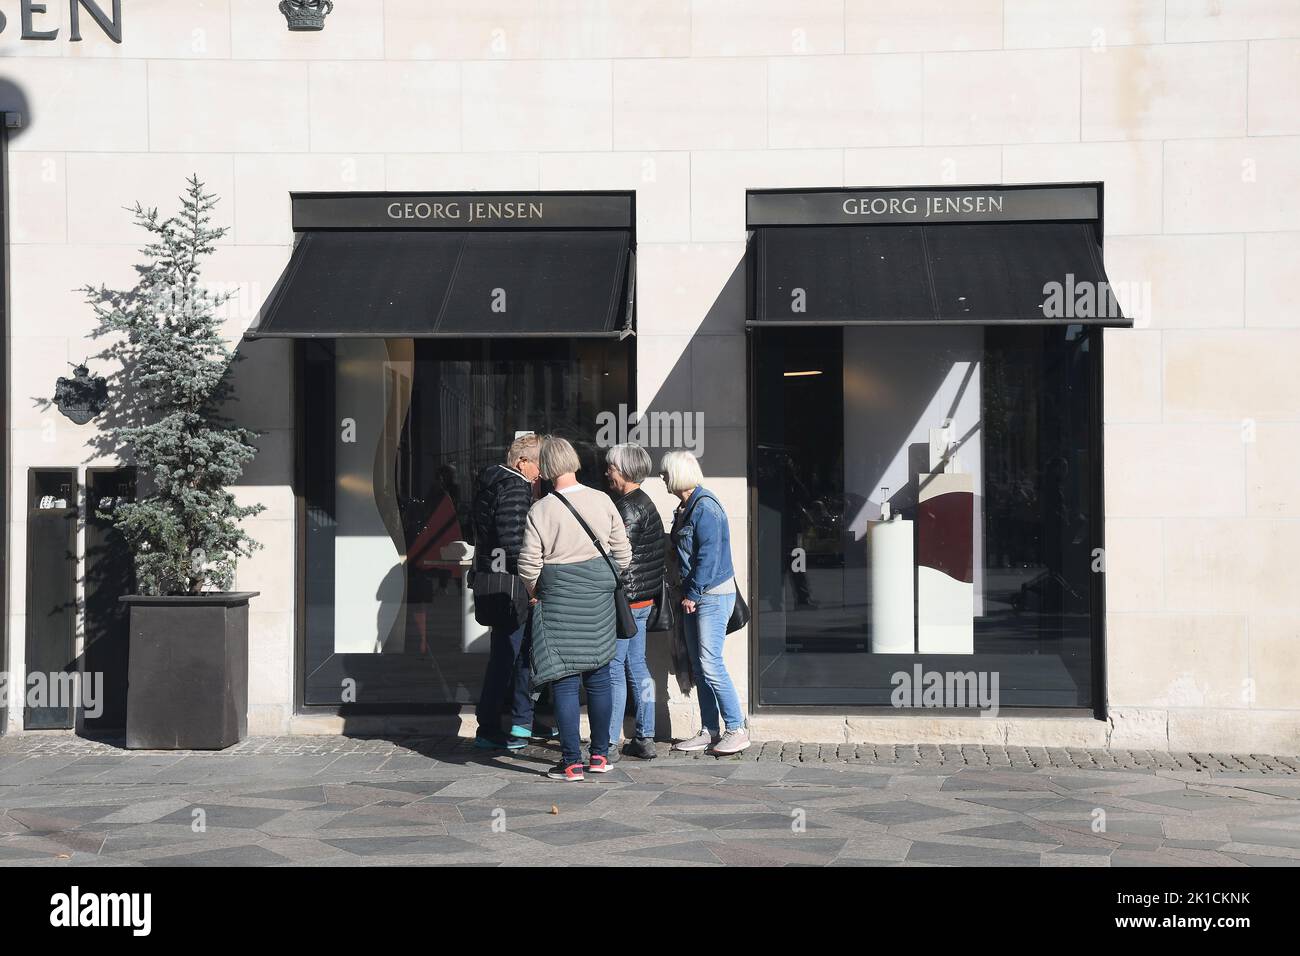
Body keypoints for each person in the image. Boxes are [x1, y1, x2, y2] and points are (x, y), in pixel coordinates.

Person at [518, 436, 631, 781]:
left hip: (557, 601)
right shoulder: (602, 500)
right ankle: (599, 755)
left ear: (548, 468)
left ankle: (570, 762)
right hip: (598, 600)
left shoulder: (541, 510)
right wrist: (605, 577)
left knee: (563, 680)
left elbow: (527, 564)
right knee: (598, 676)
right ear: (574, 461)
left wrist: (534, 591)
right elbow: (623, 553)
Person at [662, 449, 750, 755]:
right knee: (700, 668)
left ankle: (736, 729)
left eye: (665, 473)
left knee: (711, 665)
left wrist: (693, 595)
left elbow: (709, 557)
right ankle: (710, 730)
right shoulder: (685, 507)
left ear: (678, 475)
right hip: (694, 595)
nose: (662, 478)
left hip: (709, 596)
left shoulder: (705, 508)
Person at [471, 434, 544, 750]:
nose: (540, 472)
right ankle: (502, 726)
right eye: (538, 464)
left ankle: (518, 720)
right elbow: (514, 541)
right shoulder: (515, 486)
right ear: (522, 462)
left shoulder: (491, 483)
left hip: (493, 580)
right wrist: (532, 582)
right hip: (511, 584)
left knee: (509, 654)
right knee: (512, 656)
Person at [604, 443, 664, 761]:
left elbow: (618, 557)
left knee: (615, 670)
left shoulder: (627, 508)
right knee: (638, 667)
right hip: (642, 599)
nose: (607, 473)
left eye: (611, 468)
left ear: (625, 472)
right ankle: (646, 736)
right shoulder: (646, 503)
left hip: (625, 600)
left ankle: (610, 742)